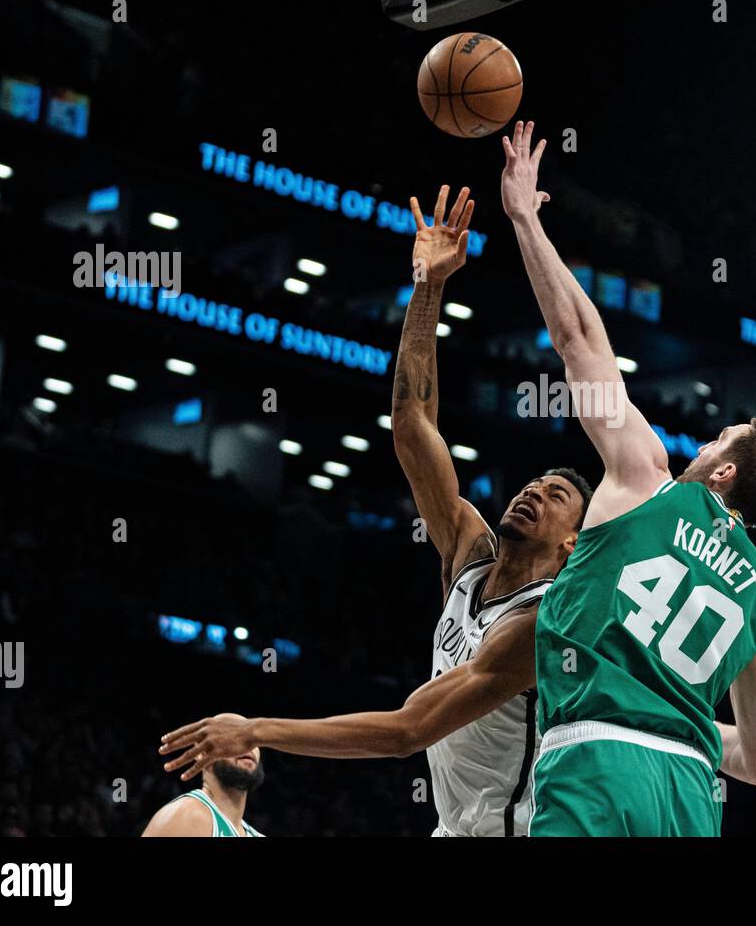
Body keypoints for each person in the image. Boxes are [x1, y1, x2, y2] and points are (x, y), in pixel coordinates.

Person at [160, 185, 593, 837]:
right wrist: (429, 286)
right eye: (533, 482)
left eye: (557, 496)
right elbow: (410, 420)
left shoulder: (540, 622)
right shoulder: (469, 553)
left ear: (571, 544)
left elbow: (406, 733)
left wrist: (255, 729)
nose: (534, 491)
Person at [498, 121, 756, 836]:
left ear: (724, 471)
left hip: (595, 764)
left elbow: (579, 340)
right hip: (690, 796)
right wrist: (683, 725)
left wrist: (524, 219)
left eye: (717, 439)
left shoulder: (647, 478)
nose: (702, 442)